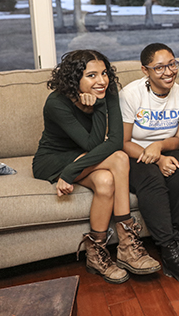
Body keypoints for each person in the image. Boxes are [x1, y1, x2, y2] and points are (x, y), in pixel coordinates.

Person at [33, 50, 159, 284]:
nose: (101, 81)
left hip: (83, 157)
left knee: (106, 181)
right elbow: (94, 144)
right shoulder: (57, 102)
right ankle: (127, 244)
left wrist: (99, 103)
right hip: (53, 160)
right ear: (75, 79)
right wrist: (67, 170)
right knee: (120, 158)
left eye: (103, 73)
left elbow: (114, 140)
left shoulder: (106, 91)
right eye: (91, 75)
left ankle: (96, 253)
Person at [119, 43, 179, 285]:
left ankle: (174, 238)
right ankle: (168, 247)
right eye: (159, 67)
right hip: (134, 153)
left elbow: (178, 138)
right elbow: (123, 141)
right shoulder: (130, 94)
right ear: (145, 71)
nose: (169, 72)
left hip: (165, 148)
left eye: (172, 64)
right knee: (152, 177)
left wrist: (159, 149)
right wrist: (155, 158)